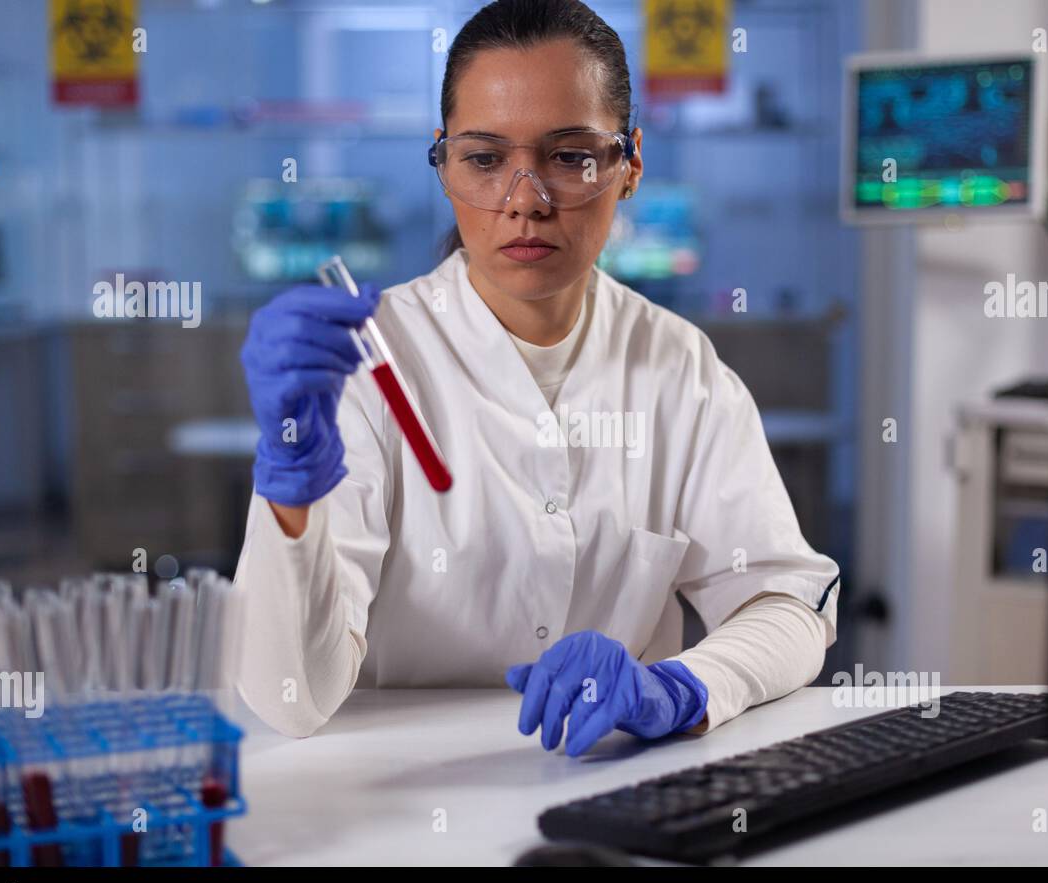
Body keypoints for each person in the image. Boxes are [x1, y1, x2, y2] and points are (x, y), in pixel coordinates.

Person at [234, 0, 840, 755]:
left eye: (570, 157)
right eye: (485, 159)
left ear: (630, 165)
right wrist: (290, 492)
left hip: (614, 788)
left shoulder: (680, 369)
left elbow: (787, 602)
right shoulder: (367, 367)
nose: (526, 200)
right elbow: (290, 700)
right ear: (445, 163)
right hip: (398, 809)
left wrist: (682, 688)